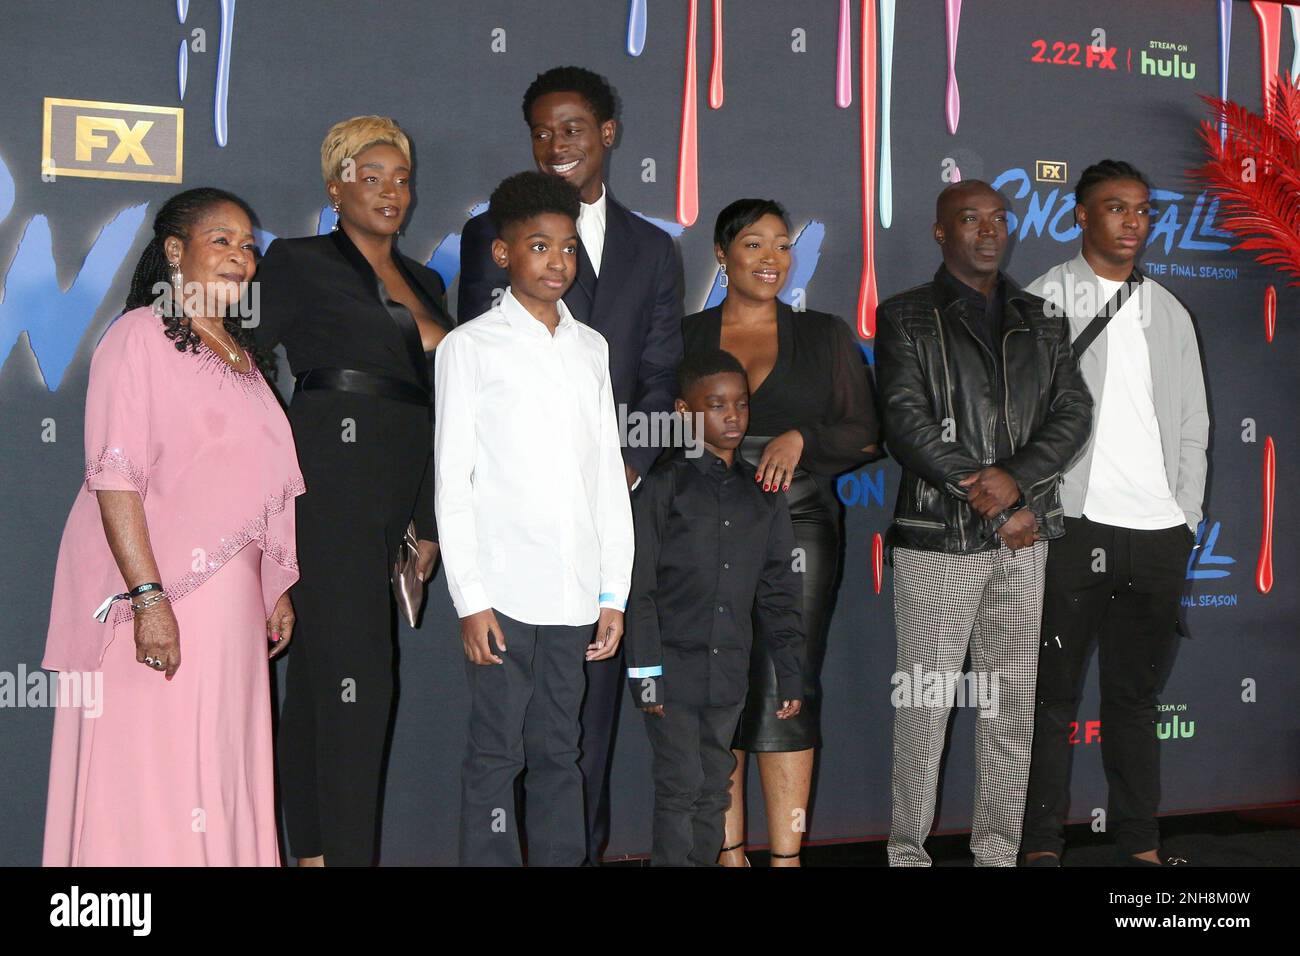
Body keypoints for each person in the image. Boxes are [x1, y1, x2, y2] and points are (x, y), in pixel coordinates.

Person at [458, 66, 683, 861]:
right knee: (502, 742)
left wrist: (619, 467)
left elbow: (660, 378)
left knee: (576, 736)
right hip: (512, 538)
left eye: (574, 128)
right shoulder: (490, 233)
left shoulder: (653, 250)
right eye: (542, 131)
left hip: (603, 520)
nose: (557, 145)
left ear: (608, 134)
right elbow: (481, 385)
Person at [42, 188, 302, 866]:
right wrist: (147, 598)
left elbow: (259, 488)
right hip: (160, 599)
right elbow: (114, 474)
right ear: (174, 252)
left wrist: (273, 587)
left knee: (217, 766)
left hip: (232, 615)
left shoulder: (246, 362)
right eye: (222, 240)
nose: (241, 256)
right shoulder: (137, 337)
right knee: (150, 772)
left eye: (249, 245)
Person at [874, 179, 1092, 867]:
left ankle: (997, 854)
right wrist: (992, 495)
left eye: (999, 218)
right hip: (940, 539)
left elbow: (1072, 415)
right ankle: (907, 854)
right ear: (941, 232)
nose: (989, 231)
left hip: (1024, 540)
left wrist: (1018, 482)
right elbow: (906, 424)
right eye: (970, 219)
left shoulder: (1043, 319)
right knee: (925, 708)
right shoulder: (906, 315)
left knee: (1011, 710)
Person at [253, 116, 452, 867]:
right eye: (370, 177)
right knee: (359, 679)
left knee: (317, 680)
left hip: (397, 495)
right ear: (335, 187)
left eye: (400, 177)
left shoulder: (430, 281)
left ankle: (310, 852)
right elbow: (239, 360)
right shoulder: (299, 262)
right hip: (326, 489)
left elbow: (442, 406)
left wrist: (427, 519)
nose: (389, 191)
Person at [437, 171, 634, 867]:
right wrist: (471, 598)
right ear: (502, 254)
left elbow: (607, 477)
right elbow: (452, 485)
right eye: (540, 246)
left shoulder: (592, 350)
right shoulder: (469, 348)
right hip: (502, 594)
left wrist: (612, 594)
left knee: (561, 751)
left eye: (569, 248)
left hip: (576, 593)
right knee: (496, 753)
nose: (557, 262)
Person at [682, 199, 879, 866]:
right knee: (718, 687)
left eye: (782, 245)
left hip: (799, 521)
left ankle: (787, 857)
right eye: (753, 244)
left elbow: (865, 431)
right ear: (721, 254)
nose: (771, 258)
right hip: (705, 527)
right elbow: (650, 428)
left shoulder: (822, 334)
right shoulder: (685, 336)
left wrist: (803, 436)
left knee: (789, 680)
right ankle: (730, 852)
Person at [1022, 160, 1207, 867]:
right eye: (1115, 208)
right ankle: (1040, 848)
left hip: (1159, 535)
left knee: (1133, 699)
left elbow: (1194, 422)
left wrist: (1184, 513)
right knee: (1052, 702)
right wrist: (1045, 510)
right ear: (1080, 217)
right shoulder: (1043, 299)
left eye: (1141, 209)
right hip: (1075, 528)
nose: (1133, 222)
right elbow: (1023, 424)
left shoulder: (1170, 309)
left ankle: (1142, 849)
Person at [625, 349, 804, 867]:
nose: (732, 416)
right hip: (671, 673)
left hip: (728, 674)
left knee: (713, 789)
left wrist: (790, 674)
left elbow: (779, 592)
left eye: (741, 405)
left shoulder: (765, 496)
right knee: (679, 786)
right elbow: (641, 591)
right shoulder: (663, 487)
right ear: (685, 411)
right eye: (717, 404)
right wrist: (646, 675)